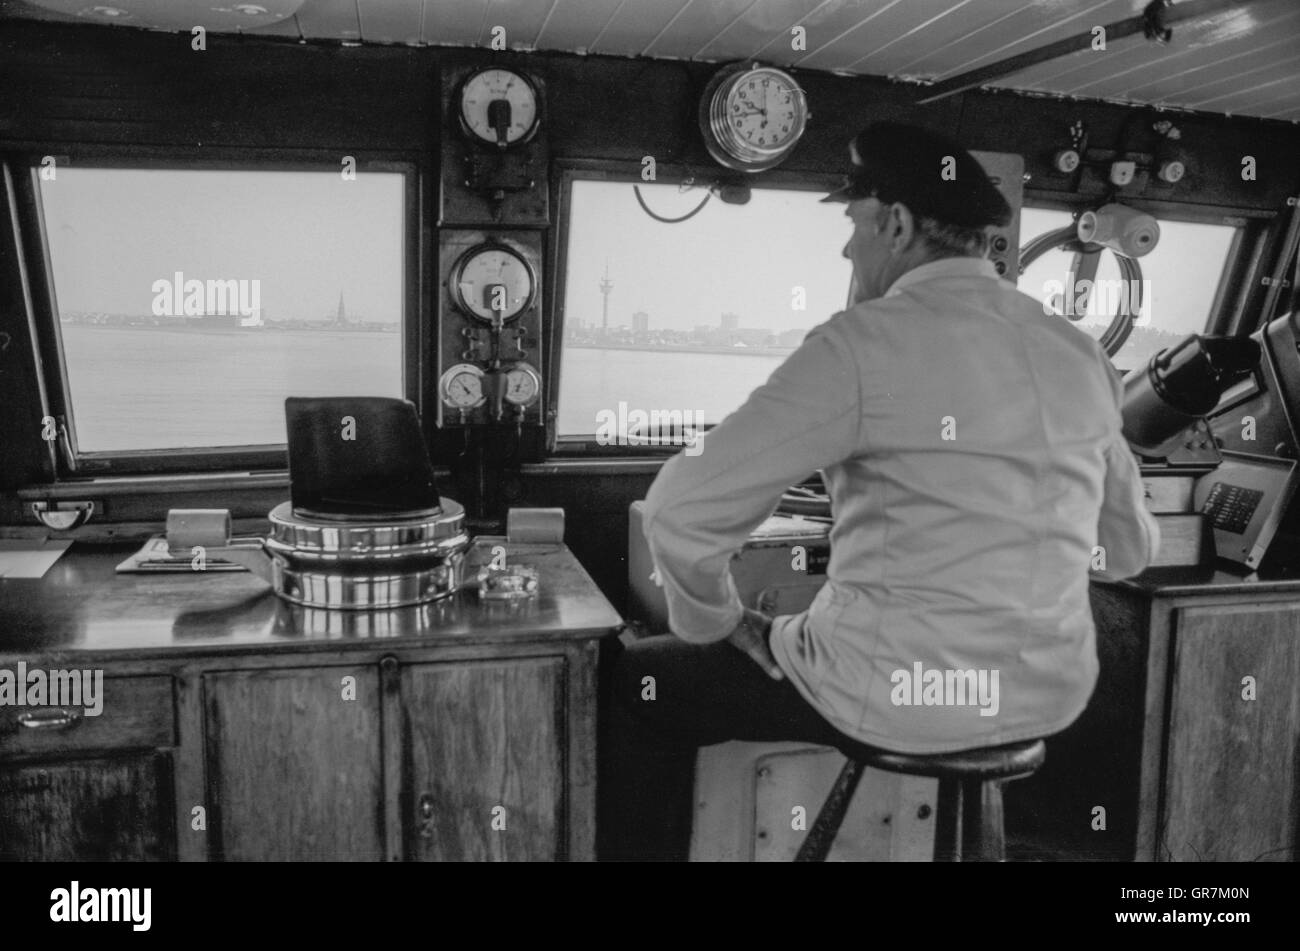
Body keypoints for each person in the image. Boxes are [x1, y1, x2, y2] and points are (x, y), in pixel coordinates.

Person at [596, 121, 1160, 862]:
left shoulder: (859, 342)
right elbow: (1126, 551)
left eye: (853, 223)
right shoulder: (1079, 351)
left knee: (634, 680)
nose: (845, 247)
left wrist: (721, 622)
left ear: (895, 223)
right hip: (1051, 697)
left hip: (901, 701)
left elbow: (677, 511)